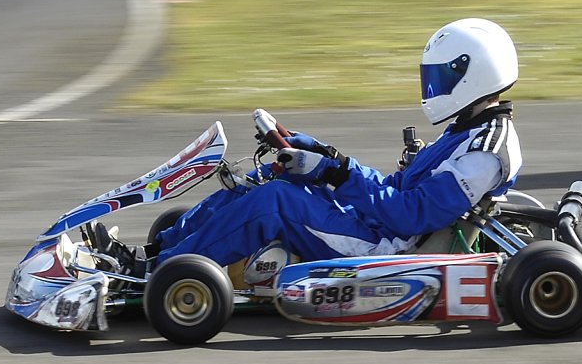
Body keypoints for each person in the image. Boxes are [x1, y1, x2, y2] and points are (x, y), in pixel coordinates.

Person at [95, 18, 523, 274]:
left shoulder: (485, 150)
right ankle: (156, 253)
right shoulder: (465, 129)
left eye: (441, 78)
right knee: (263, 178)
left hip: (389, 250)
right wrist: (321, 155)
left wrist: (336, 173)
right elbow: (397, 187)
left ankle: (158, 273)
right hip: (374, 224)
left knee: (275, 202)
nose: (434, 88)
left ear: (473, 74)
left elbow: (410, 214)